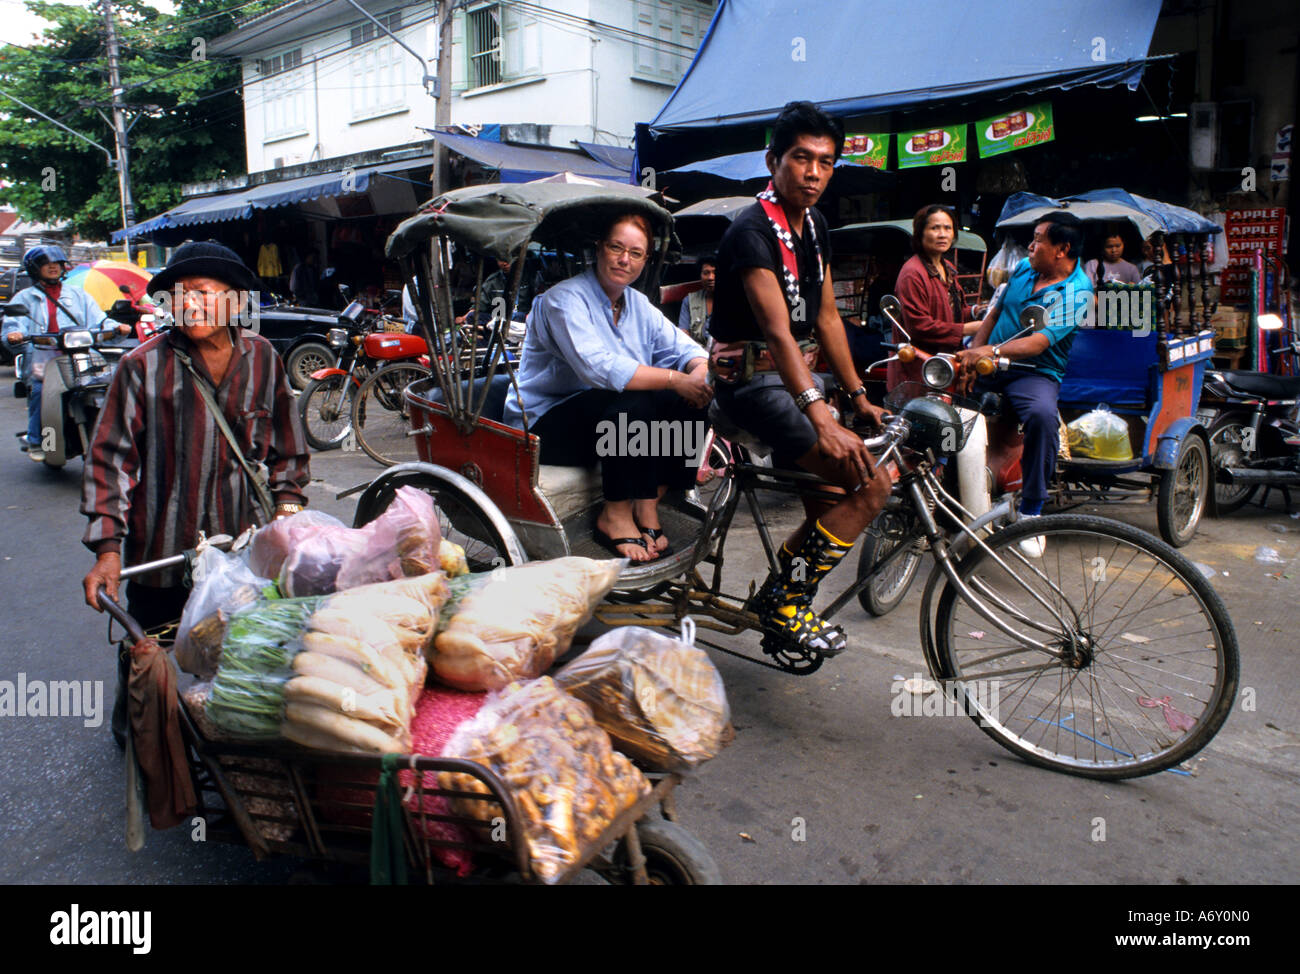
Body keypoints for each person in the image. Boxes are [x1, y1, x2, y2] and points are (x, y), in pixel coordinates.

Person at [80, 241, 311, 745]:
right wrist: (108, 550)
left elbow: (287, 451)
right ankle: (135, 727)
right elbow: (111, 461)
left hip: (240, 548)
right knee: (147, 653)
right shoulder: (141, 367)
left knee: (235, 649)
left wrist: (289, 510)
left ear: (234, 302)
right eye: (180, 296)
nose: (190, 306)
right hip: (162, 550)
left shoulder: (264, 359)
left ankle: (226, 739)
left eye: (205, 294)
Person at [710, 101, 890, 658]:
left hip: (791, 380)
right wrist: (824, 419)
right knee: (871, 484)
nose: (813, 173)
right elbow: (779, 331)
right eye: (801, 158)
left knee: (835, 498)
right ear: (774, 160)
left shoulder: (814, 226)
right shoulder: (751, 230)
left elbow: (829, 317)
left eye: (826, 162)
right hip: (750, 386)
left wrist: (859, 397)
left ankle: (778, 597)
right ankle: (784, 605)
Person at [502, 212, 711, 562]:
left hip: (607, 420)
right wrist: (677, 379)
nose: (624, 259)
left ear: (645, 260)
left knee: (698, 399)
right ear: (599, 249)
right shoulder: (562, 300)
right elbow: (599, 368)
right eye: (616, 247)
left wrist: (699, 371)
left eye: (635, 252)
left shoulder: (637, 304)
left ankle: (649, 504)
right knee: (639, 399)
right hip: (545, 427)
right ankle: (614, 514)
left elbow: (682, 347)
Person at [957, 211, 1092, 555]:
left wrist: (990, 351)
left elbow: (1039, 343)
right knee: (947, 404)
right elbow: (994, 314)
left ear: (1061, 249)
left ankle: (1031, 508)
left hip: (1034, 373)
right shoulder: (1023, 269)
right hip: (991, 364)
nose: (1030, 246)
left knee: (1043, 418)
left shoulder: (1078, 291)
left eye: (1038, 239)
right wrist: (973, 356)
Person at [2, 246, 124, 462]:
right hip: (44, 358)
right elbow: (13, 323)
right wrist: (14, 333)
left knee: (107, 387)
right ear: (34, 268)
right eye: (46, 263)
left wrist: (115, 326)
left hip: (81, 356)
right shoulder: (24, 297)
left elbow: (99, 318)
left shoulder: (77, 294)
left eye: (57, 263)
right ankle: (37, 439)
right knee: (40, 392)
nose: (53, 267)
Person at [888, 205, 984, 390]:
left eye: (948, 228)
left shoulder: (946, 267)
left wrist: (973, 312)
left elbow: (951, 312)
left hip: (944, 364)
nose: (942, 234)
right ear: (920, 233)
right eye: (935, 228)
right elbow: (919, 326)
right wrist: (967, 329)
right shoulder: (913, 273)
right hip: (919, 367)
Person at [676, 256, 716, 345]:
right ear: (700, 275)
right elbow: (683, 332)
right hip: (695, 352)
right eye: (706, 273)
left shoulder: (732, 301)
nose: (710, 277)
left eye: (715, 272)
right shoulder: (690, 300)